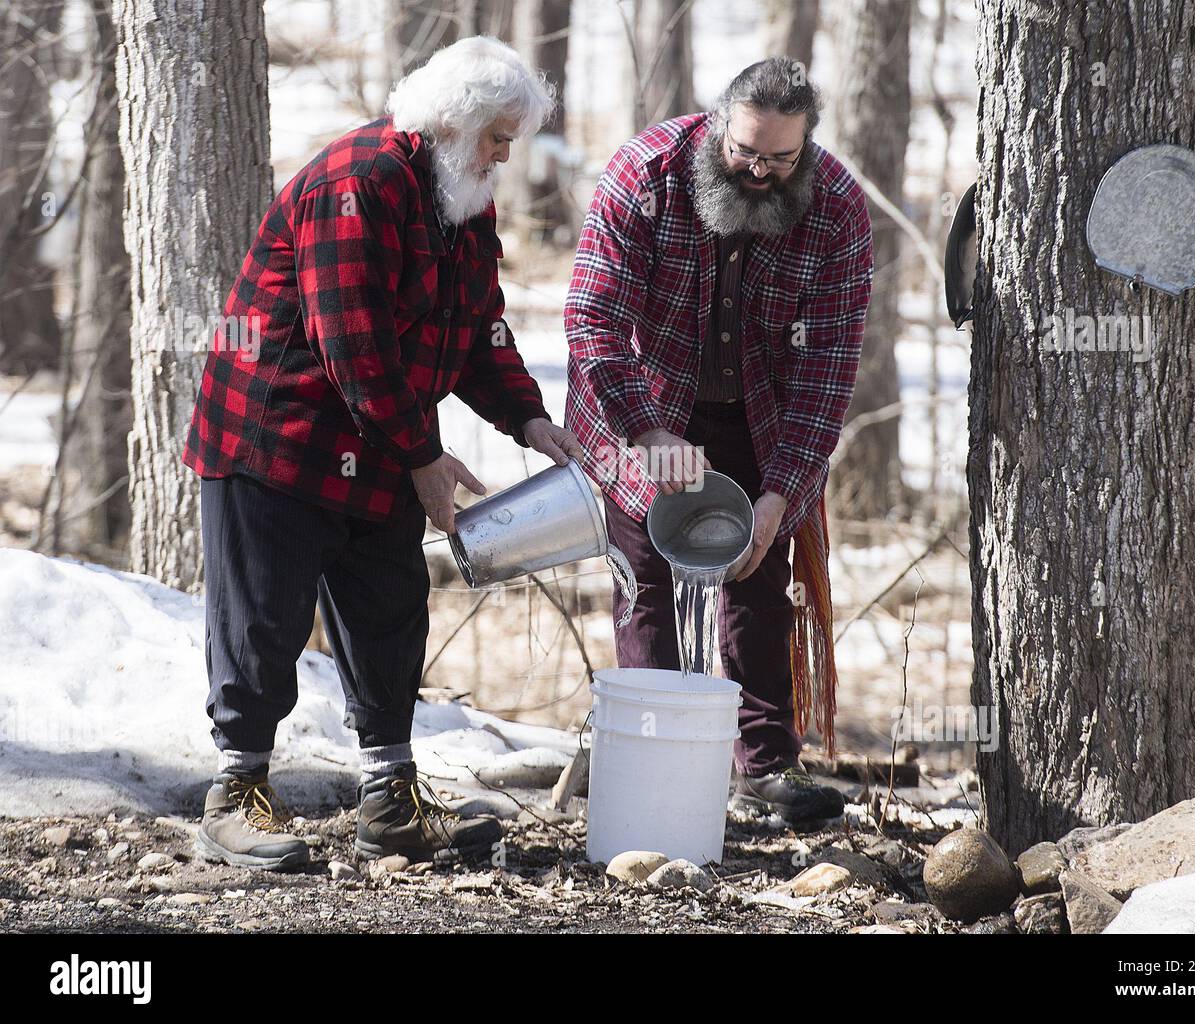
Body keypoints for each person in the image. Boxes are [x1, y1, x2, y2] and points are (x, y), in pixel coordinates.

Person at [183, 36, 582, 869]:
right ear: (451, 122)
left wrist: (530, 420)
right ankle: (235, 797)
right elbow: (353, 344)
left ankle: (392, 804)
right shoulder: (357, 182)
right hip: (279, 436)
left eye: (511, 136)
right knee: (263, 624)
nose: (506, 153)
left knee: (389, 614)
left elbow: (477, 328)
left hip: (379, 435)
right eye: (497, 135)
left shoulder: (461, 194)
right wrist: (425, 459)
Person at [565, 58, 873, 823]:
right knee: (645, 578)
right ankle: (653, 761)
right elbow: (591, 320)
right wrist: (649, 432)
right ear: (717, 125)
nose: (759, 170)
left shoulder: (836, 209)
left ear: (807, 147)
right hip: (635, 401)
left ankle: (764, 767)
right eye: (745, 152)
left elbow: (827, 375)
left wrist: (782, 497)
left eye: (780, 158)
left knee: (760, 577)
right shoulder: (646, 173)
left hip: (757, 413)